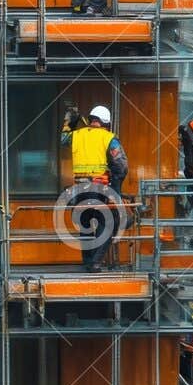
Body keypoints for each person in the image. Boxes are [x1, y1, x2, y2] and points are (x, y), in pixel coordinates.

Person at [61, 104, 129, 272]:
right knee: (108, 224)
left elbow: (63, 139)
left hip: (80, 189)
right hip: (100, 188)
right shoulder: (108, 138)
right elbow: (121, 167)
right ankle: (95, 263)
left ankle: (87, 262)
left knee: (85, 225)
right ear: (106, 122)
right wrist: (116, 191)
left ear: (91, 119)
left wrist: (70, 122)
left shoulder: (76, 135)